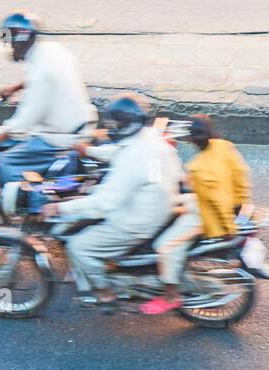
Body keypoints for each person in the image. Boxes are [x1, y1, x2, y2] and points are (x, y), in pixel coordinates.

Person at [42, 95, 182, 310]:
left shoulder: (133, 157)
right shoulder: (148, 138)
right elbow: (119, 152)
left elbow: (105, 203)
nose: (110, 128)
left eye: (114, 124)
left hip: (137, 221)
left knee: (78, 247)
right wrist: (87, 150)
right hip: (161, 203)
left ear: (125, 125)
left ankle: (104, 293)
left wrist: (60, 207)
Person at [142, 114, 252, 316]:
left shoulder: (198, 167)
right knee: (174, 204)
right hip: (226, 206)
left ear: (192, 139)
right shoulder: (224, 147)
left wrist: (227, 228)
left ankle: (171, 294)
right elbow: (241, 175)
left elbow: (214, 202)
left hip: (206, 217)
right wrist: (242, 204)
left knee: (164, 247)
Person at [0, 12, 96, 186]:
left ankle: (31, 207)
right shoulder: (50, 50)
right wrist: (18, 86)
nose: (9, 46)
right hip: (79, 120)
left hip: (59, 135)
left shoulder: (40, 72)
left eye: (10, 40)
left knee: (6, 163)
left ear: (21, 39)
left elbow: (29, 116)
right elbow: (49, 79)